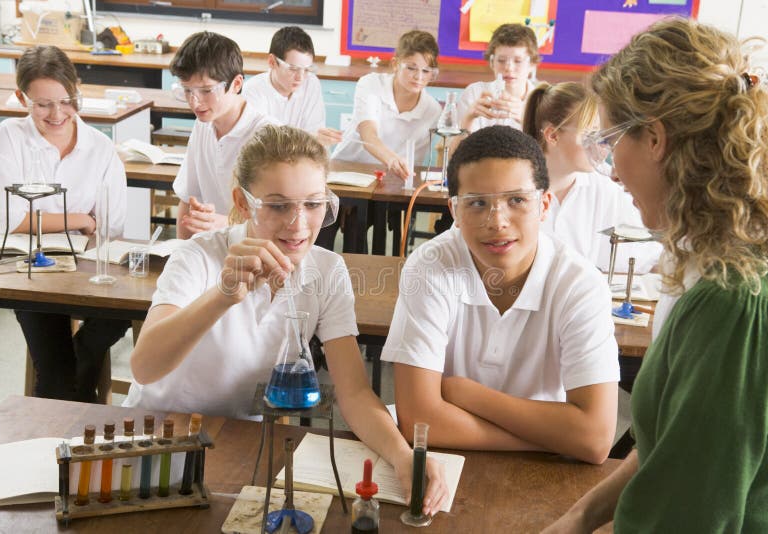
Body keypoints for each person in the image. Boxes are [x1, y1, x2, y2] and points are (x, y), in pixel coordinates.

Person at [124, 124, 448, 515]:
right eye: (278, 205)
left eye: (313, 204)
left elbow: (354, 393)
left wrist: (402, 455)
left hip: (244, 440)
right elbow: (144, 367)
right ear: (241, 203)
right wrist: (223, 296)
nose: (298, 224)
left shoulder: (326, 271)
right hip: (161, 435)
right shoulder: (199, 257)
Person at [544, 18, 768, 532]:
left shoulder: (730, 301)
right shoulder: (704, 256)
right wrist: (582, 516)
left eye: (610, 141)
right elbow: (671, 443)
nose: (613, 170)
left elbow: (688, 515)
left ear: (655, 139)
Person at [381, 125, 620, 464]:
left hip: (543, 476)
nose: (498, 222)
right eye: (477, 203)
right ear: (454, 212)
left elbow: (595, 439)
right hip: (447, 463)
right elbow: (419, 421)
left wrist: (467, 394)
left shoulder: (580, 285)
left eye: (517, 200)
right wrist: (556, 440)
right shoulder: (431, 266)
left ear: (544, 204)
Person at [0, 45, 129, 402]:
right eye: (43, 104)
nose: (57, 113)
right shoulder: (9, 138)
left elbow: (112, 226)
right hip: (34, 273)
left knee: (122, 312)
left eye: (66, 100)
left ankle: (78, 368)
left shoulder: (100, 147)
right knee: (55, 376)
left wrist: (71, 224)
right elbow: (11, 218)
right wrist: (81, 219)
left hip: (87, 268)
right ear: (22, 98)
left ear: (76, 89)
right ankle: (75, 398)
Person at [521, 81, 662, 273]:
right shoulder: (513, 187)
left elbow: (651, 257)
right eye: (590, 135)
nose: (602, 146)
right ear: (552, 135)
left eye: (604, 137)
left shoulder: (609, 189)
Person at [170, 31, 276, 239]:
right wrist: (180, 255)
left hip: (259, 258)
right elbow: (187, 200)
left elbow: (279, 220)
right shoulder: (203, 125)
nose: (195, 102)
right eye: (187, 90)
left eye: (207, 91)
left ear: (236, 84)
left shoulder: (268, 135)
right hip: (213, 251)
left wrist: (227, 223)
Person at [331, 30, 441, 178]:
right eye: (411, 68)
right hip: (348, 170)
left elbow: (414, 162)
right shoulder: (371, 84)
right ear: (395, 64)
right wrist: (391, 160)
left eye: (426, 71)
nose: (418, 77)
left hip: (391, 180)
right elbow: (368, 135)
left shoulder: (432, 110)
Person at [242, 26, 342, 147]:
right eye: (293, 69)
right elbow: (264, 142)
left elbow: (315, 132)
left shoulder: (311, 82)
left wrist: (319, 138)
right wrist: (308, 138)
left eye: (306, 69)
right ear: (272, 62)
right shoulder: (252, 91)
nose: (300, 77)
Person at [457, 24, 539, 134]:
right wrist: (468, 119)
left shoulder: (542, 101)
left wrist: (527, 121)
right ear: (492, 62)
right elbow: (454, 150)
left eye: (518, 61)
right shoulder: (474, 93)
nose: (508, 68)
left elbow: (549, 149)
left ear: (532, 64)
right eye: (501, 60)